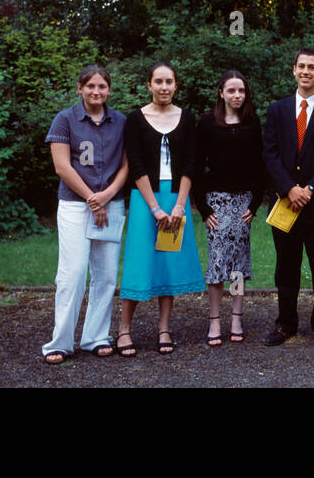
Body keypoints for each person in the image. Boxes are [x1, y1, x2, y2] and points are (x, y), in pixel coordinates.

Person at [261, 48, 314, 349]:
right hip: (285, 202)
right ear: (294, 70)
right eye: (302, 66)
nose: (307, 71)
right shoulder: (277, 110)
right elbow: (269, 155)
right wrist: (289, 189)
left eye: (313, 67)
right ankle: (285, 323)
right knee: (286, 267)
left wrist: (310, 187)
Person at [116, 62, 205, 357]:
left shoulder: (187, 117)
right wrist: (155, 208)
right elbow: (136, 164)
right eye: (158, 81)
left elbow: (192, 162)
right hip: (146, 199)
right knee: (140, 262)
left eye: (169, 82)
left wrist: (180, 205)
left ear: (176, 85)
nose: (164, 87)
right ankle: (124, 330)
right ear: (149, 85)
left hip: (176, 199)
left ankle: (164, 328)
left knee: (167, 263)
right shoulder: (135, 119)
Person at [41, 65, 128, 364]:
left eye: (102, 86)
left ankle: (96, 337)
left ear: (109, 90)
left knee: (105, 276)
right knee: (74, 272)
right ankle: (60, 342)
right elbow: (62, 166)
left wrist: (106, 195)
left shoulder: (121, 122)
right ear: (80, 88)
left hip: (111, 204)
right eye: (91, 86)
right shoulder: (65, 119)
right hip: (76, 205)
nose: (96, 91)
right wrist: (92, 198)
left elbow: (127, 166)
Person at [193, 70, 265, 346]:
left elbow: (260, 165)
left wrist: (255, 202)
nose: (237, 96)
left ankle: (236, 316)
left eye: (241, 91)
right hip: (216, 202)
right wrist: (205, 208)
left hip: (243, 203)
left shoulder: (252, 123)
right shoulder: (207, 123)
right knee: (217, 263)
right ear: (221, 93)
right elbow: (197, 166)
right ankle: (214, 319)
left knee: (238, 263)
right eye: (232, 91)